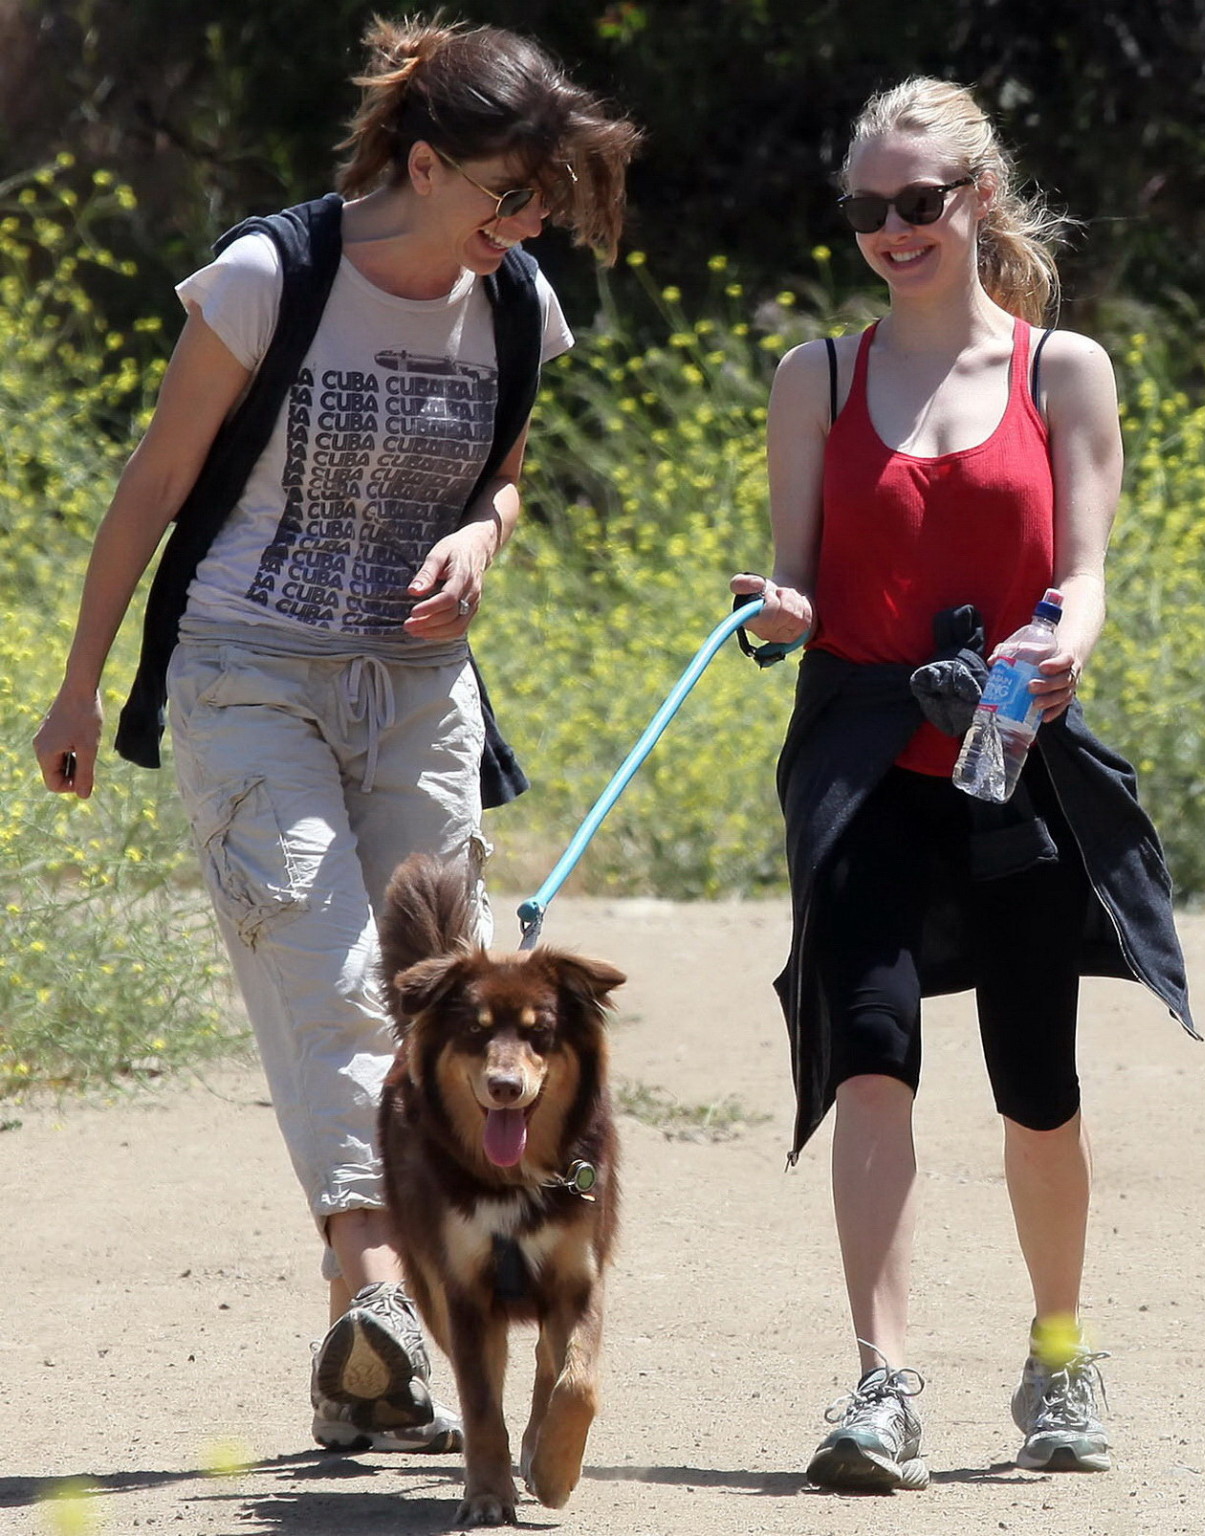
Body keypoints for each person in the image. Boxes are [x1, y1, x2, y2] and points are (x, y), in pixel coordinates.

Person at [35, 15, 638, 1456]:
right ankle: (377, 1288)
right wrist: (80, 686)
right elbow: (158, 482)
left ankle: (365, 1333)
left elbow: (500, 482)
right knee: (326, 977)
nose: (530, 219)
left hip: (421, 688)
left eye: (543, 196)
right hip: (248, 673)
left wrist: (483, 545)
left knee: (444, 995)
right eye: (509, 191)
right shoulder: (271, 276)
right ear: (425, 163)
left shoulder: (515, 302)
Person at [731, 78, 1195, 1492]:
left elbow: (1087, 575)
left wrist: (1063, 642)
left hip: (1008, 754)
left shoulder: (1068, 372)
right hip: (864, 758)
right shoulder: (814, 375)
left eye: (918, 203)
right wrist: (776, 614)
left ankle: (1060, 1355)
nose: (891, 230)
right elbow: (789, 581)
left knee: (1036, 1086)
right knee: (868, 1056)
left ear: (977, 198)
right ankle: (884, 1385)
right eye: (869, 209)